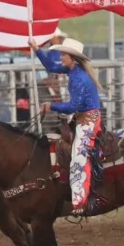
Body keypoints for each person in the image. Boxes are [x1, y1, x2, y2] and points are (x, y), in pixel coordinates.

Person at [28, 36, 104, 215]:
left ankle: (80, 201)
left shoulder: (78, 79)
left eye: (63, 54)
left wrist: (50, 105)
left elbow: (73, 106)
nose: (61, 57)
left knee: (79, 154)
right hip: (82, 117)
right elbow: (51, 66)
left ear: (72, 58)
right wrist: (37, 49)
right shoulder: (73, 72)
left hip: (89, 120)